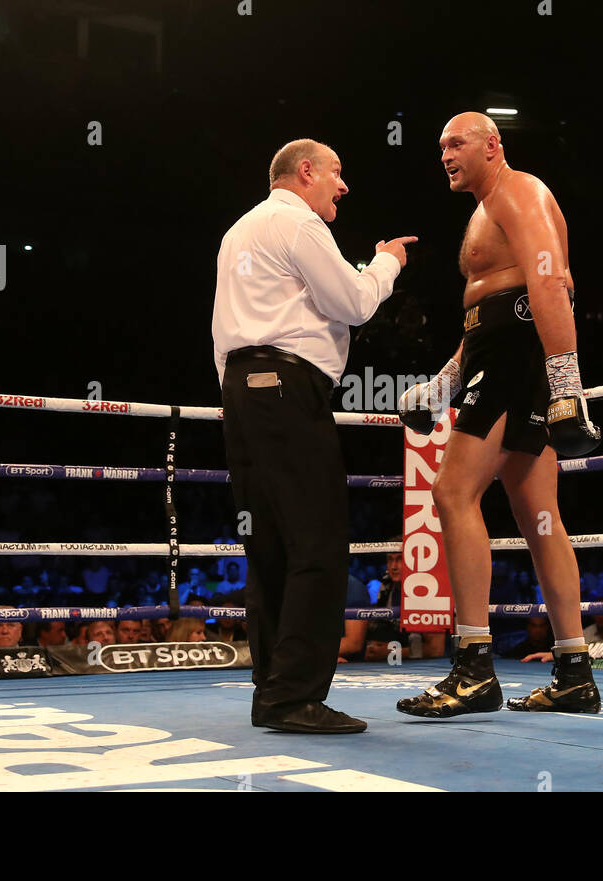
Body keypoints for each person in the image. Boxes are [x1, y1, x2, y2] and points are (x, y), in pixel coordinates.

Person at [397, 112, 601, 718]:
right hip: (502, 351)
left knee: (452, 491)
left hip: (519, 354)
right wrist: (441, 385)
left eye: (456, 143)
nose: (444, 154)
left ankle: (474, 667)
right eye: (439, 146)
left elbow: (549, 282)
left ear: (493, 145)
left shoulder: (520, 191)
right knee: (538, 513)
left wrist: (567, 385)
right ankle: (574, 672)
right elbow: (486, 313)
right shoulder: (488, 207)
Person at [213, 138, 416, 734]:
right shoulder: (297, 223)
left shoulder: (238, 231)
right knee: (319, 543)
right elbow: (353, 302)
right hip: (286, 390)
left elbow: (224, 331)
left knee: (271, 545)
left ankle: (271, 692)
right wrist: (386, 263)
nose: (343, 185)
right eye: (336, 172)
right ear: (306, 172)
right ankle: (295, 697)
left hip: (241, 390)